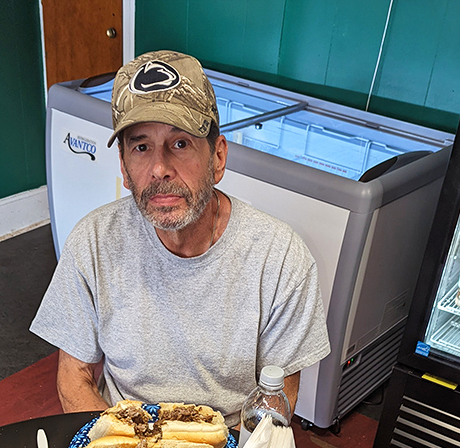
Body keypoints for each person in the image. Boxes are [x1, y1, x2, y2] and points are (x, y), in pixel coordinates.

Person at [30, 50, 330, 426]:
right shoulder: (93, 242)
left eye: (181, 143)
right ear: (124, 167)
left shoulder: (280, 258)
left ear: (218, 157)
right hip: (121, 441)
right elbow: (74, 378)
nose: (159, 168)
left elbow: (277, 398)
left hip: (228, 446)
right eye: (141, 147)